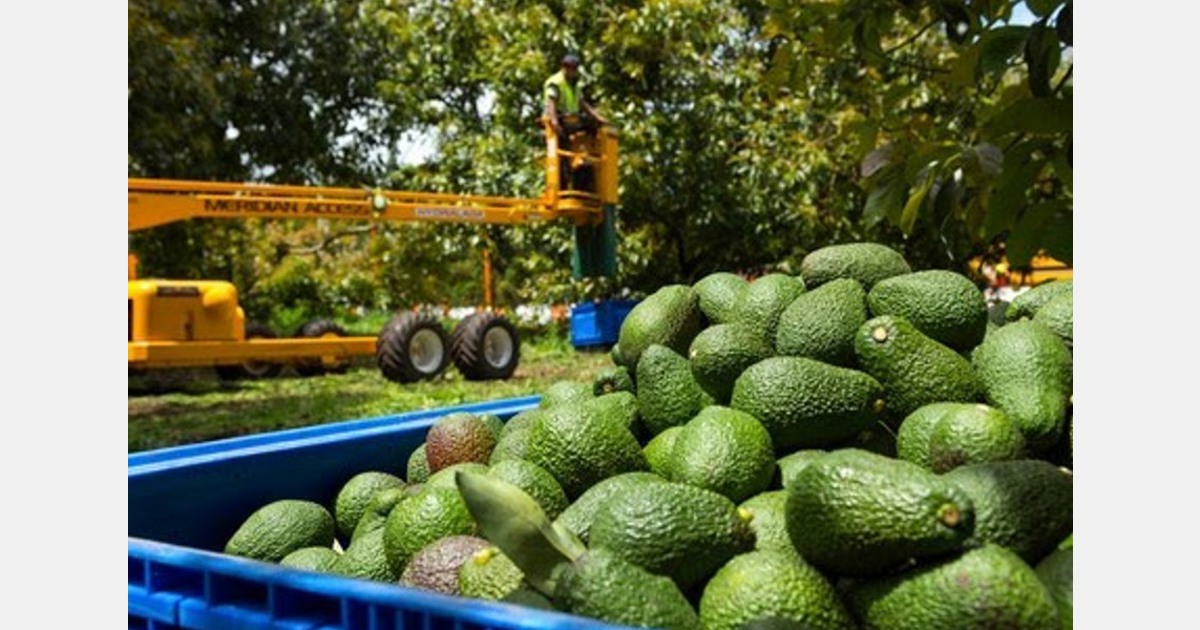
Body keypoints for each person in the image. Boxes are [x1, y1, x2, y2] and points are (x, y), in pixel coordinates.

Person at [544, 54, 608, 192]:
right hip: (560, 119)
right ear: (563, 67)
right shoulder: (556, 82)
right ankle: (562, 185)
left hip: (570, 120)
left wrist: (598, 118)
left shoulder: (575, 85)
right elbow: (551, 103)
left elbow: (582, 103)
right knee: (561, 157)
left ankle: (587, 156)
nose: (570, 70)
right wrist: (555, 123)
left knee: (593, 125)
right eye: (567, 67)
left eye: (573, 68)